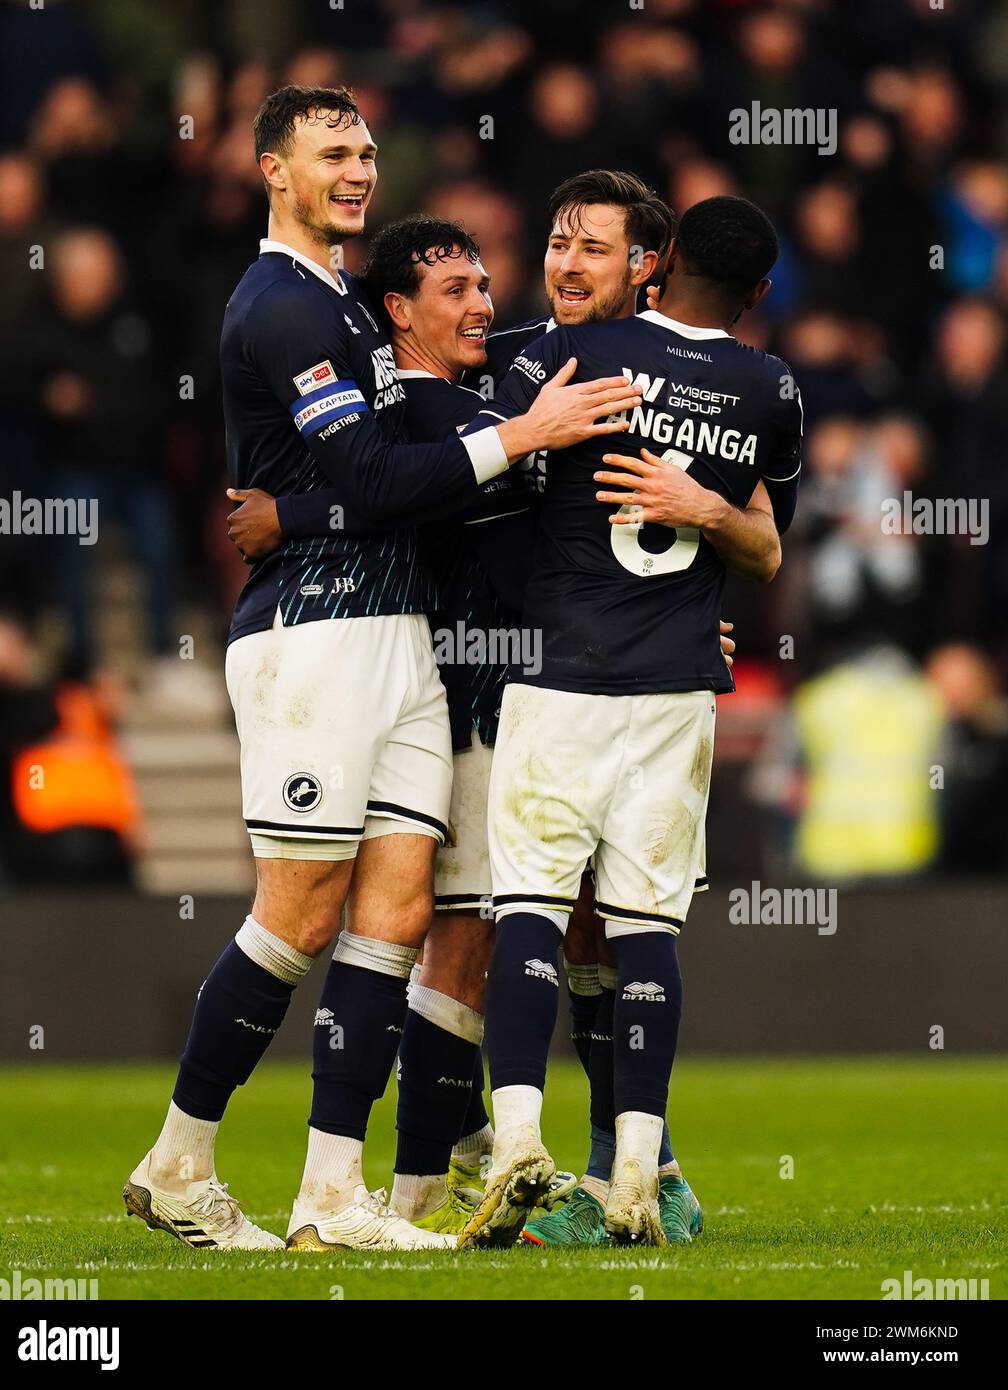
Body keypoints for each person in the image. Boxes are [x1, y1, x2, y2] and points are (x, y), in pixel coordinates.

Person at [123, 84, 641, 1253]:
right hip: (315, 634)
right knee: (299, 909)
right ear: (271, 170)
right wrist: (524, 435)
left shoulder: (348, 310)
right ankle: (179, 1160)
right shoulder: (282, 308)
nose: (356, 171)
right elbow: (375, 476)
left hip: (398, 633)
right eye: (329, 154)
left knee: (396, 911)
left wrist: (296, 504)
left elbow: (401, 446)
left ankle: (330, 1195)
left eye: (362, 152)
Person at [456, 194, 802, 1248]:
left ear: (657, 269)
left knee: (529, 913)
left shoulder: (574, 351)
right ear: (755, 295)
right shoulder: (768, 388)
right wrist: (709, 509)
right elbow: (768, 545)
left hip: (559, 675)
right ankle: (638, 1175)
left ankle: (517, 1142)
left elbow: (475, 460)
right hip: (677, 690)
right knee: (645, 928)